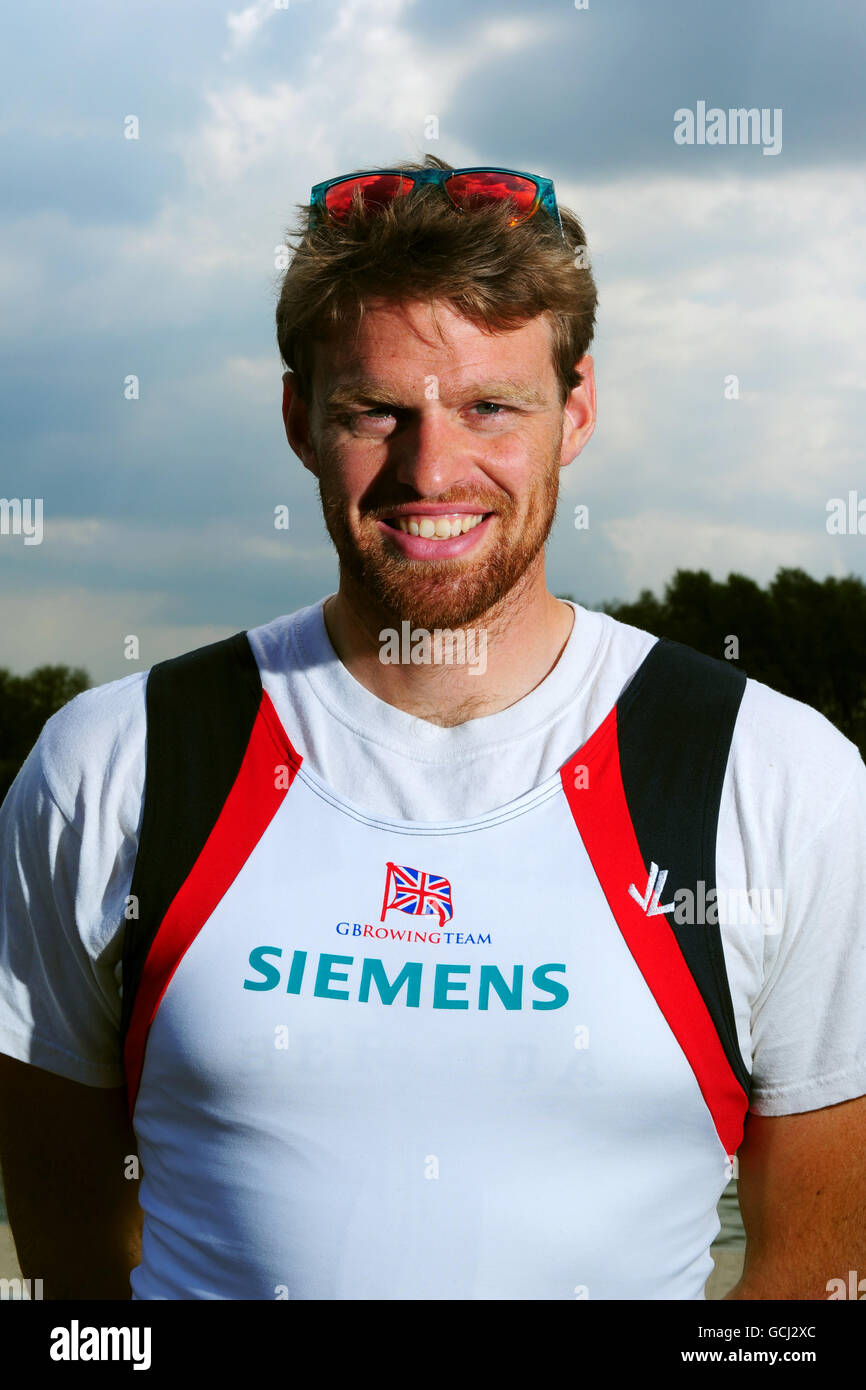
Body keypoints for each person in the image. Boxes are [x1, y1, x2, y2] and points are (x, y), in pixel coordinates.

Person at [1, 155, 865, 1302]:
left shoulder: (773, 776)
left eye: (488, 407)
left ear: (577, 411)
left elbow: (813, 1280)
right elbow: (72, 1272)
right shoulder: (114, 763)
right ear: (299, 420)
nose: (431, 469)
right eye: (375, 411)